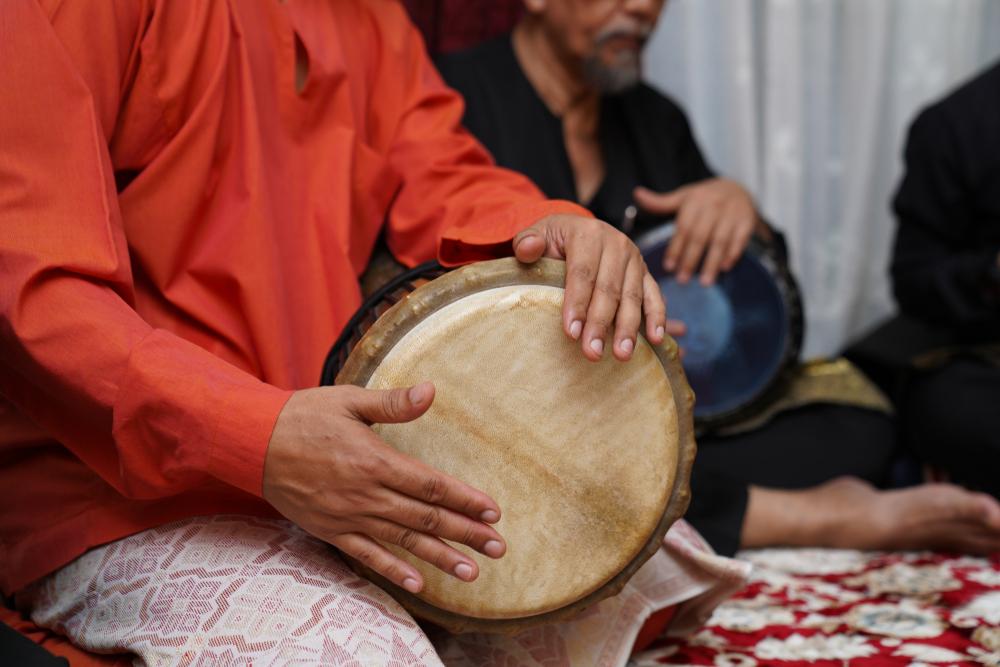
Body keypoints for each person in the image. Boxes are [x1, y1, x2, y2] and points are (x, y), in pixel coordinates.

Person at [0, 1, 746, 663]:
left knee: (638, 561)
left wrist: (549, 226)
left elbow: (444, 173)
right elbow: (31, 288)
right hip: (113, 491)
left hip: (335, 453)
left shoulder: (372, 18)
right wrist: (257, 436)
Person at [436, 0, 1000, 556]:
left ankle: (686, 505)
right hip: (525, 414)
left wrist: (738, 212)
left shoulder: (654, 119)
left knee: (861, 426)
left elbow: (761, 297)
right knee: (509, 464)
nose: (641, 9)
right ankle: (802, 517)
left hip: (653, 415)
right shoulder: (453, 101)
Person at [890, 59, 1000, 501]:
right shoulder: (956, 124)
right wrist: (991, 272)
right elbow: (913, 278)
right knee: (945, 407)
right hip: (989, 361)